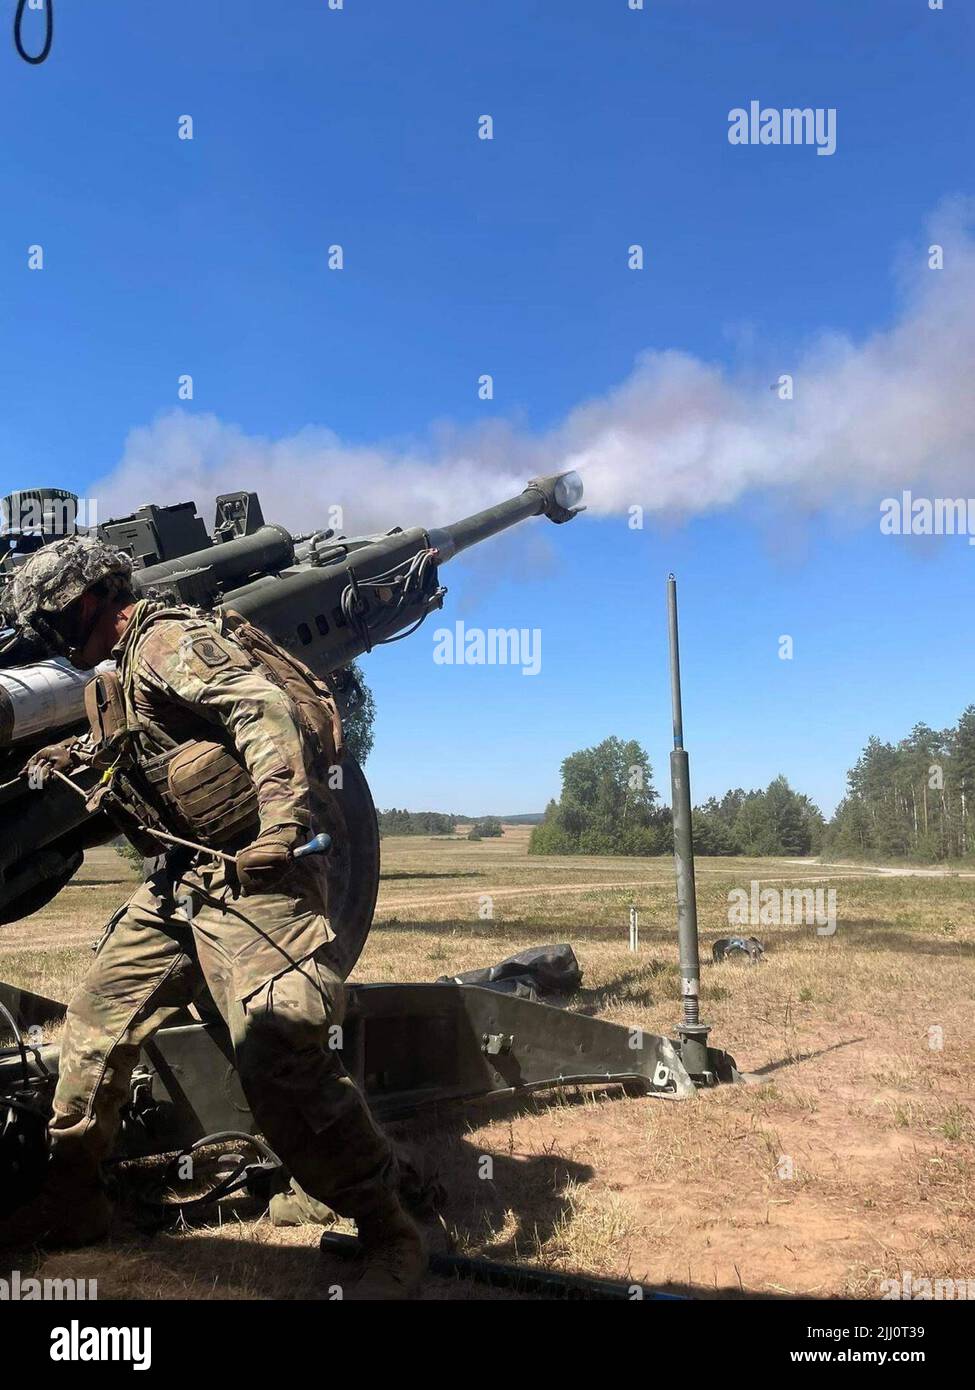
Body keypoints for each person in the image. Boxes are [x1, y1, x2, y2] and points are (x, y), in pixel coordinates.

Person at [0, 535, 426, 1299]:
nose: (51, 636)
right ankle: (71, 1204)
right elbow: (139, 751)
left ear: (90, 598)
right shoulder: (115, 678)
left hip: (253, 876)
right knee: (93, 1037)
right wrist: (67, 758)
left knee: (280, 1058)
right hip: (179, 884)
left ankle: (389, 1228)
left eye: (55, 619)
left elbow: (260, 710)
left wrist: (282, 826)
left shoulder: (168, 640)